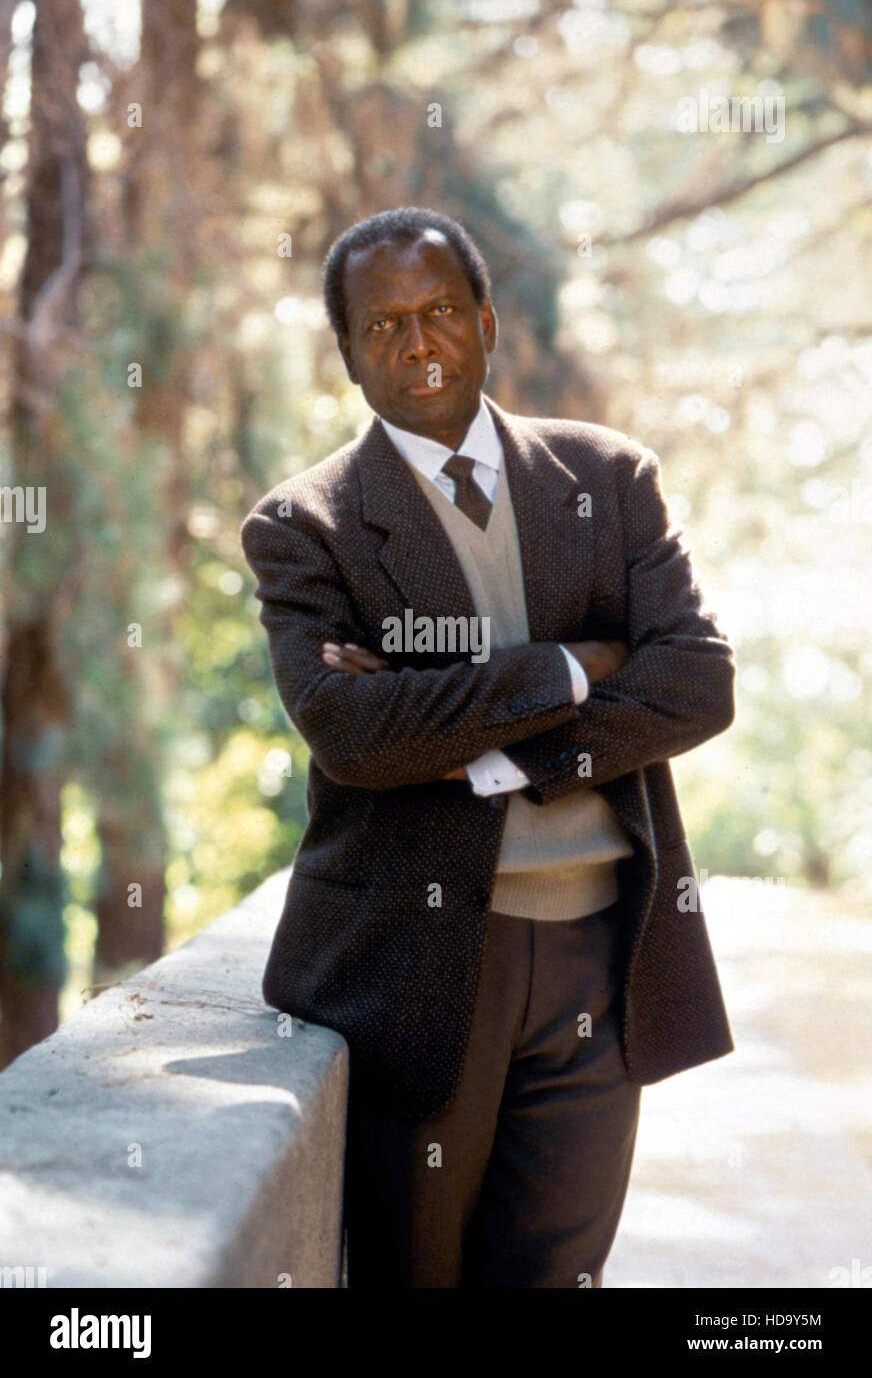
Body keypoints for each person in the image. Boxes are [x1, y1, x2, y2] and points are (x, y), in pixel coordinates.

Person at [240, 206, 736, 1288]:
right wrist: (569, 668)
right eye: (384, 327)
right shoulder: (305, 524)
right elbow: (349, 734)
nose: (418, 345)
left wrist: (483, 740)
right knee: (415, 1272)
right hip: (411, 968)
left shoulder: (607, 479)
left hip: (599, 963)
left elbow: (696, 684)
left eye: (439, 314)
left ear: (486, 321)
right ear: (349, 352)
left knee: (555, 1276)